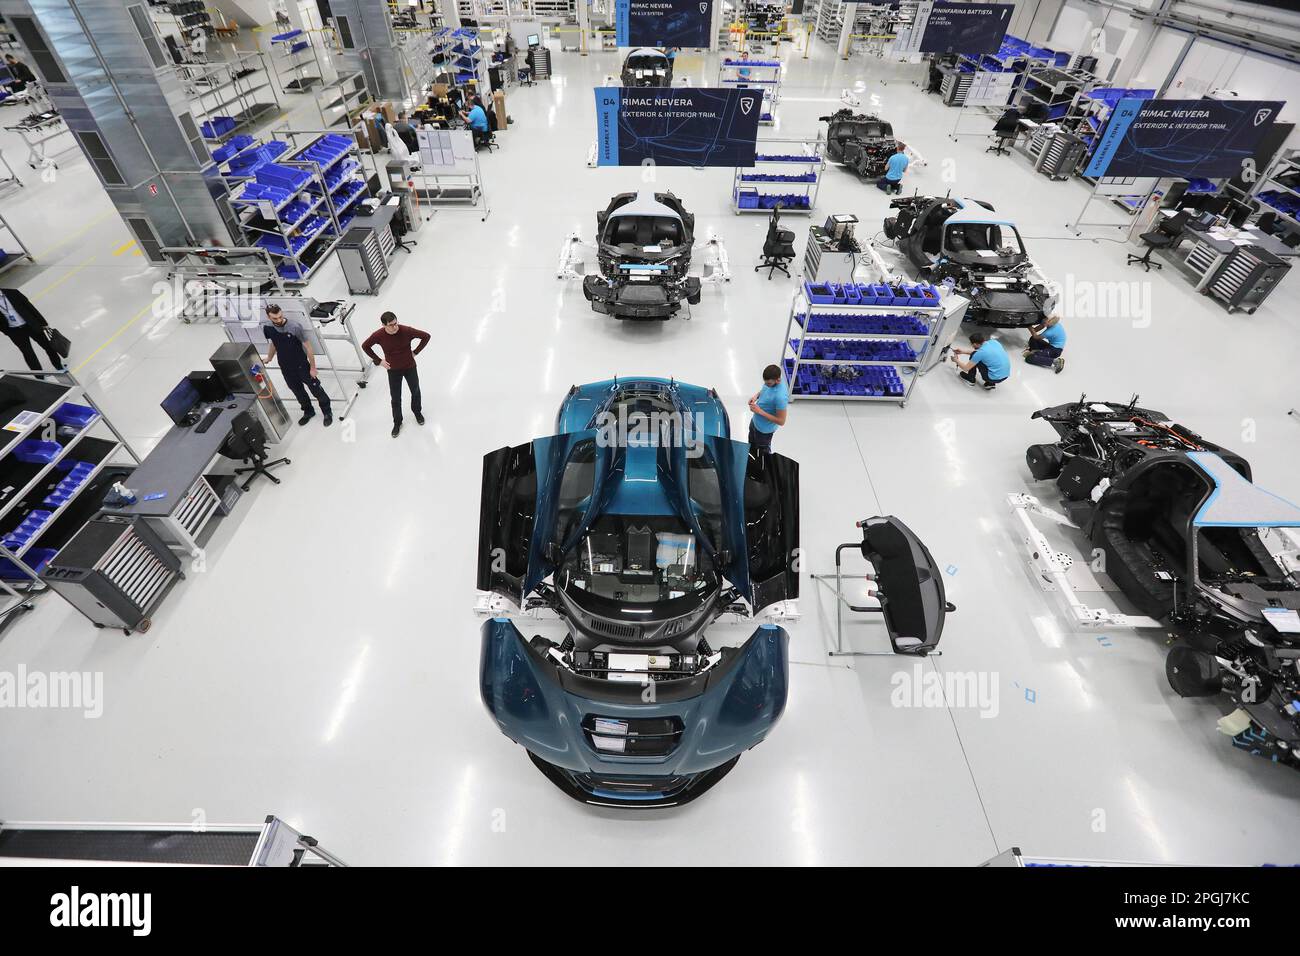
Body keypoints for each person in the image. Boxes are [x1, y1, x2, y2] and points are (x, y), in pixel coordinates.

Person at [262, 304, 331, 427]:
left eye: (280, 317)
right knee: (298, 392)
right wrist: (269, 357)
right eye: (275, 318)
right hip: (286, 368)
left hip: (301, 366)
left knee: (316, 389)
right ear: (268, 317)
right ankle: (308, 411)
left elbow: (309, 347)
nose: (278, 320)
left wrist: (313, 368)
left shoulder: (294, 327)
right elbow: (273, 343)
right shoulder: (267, 328)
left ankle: (327, 412)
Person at [362, 311, 430, 437]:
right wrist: (379, 361)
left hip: (409, 367)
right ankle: (397, 422)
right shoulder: (378, 335)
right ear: (383, 325)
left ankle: (417, 412)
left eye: (396, 323)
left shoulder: (406, 331)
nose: (395, 327)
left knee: (415, 390)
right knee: (395, 397)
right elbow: (365, 346)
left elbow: (426, 336)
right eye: (391, 325)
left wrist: (415, 352)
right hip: (393, 370)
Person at [0, 287, 64, 371]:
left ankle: (58, 366)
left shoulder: (12, 292)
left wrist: (43, 323)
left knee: (47, 346)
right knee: (28, 354)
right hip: (14, 331)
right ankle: (39, 376)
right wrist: (7, 332)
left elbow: (30, 307)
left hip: (30, 325)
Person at [747, 364, 788, 453]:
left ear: (778, 380)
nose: (766, 384)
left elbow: (781, 421)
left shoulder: (780, 397)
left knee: (763, 454)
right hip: (755, 422)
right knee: (751, 446)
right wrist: (756, 396)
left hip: (764, 431)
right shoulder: (770, 382)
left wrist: (760, 411)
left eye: (768, 383)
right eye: (765, 382)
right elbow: (765, 389)